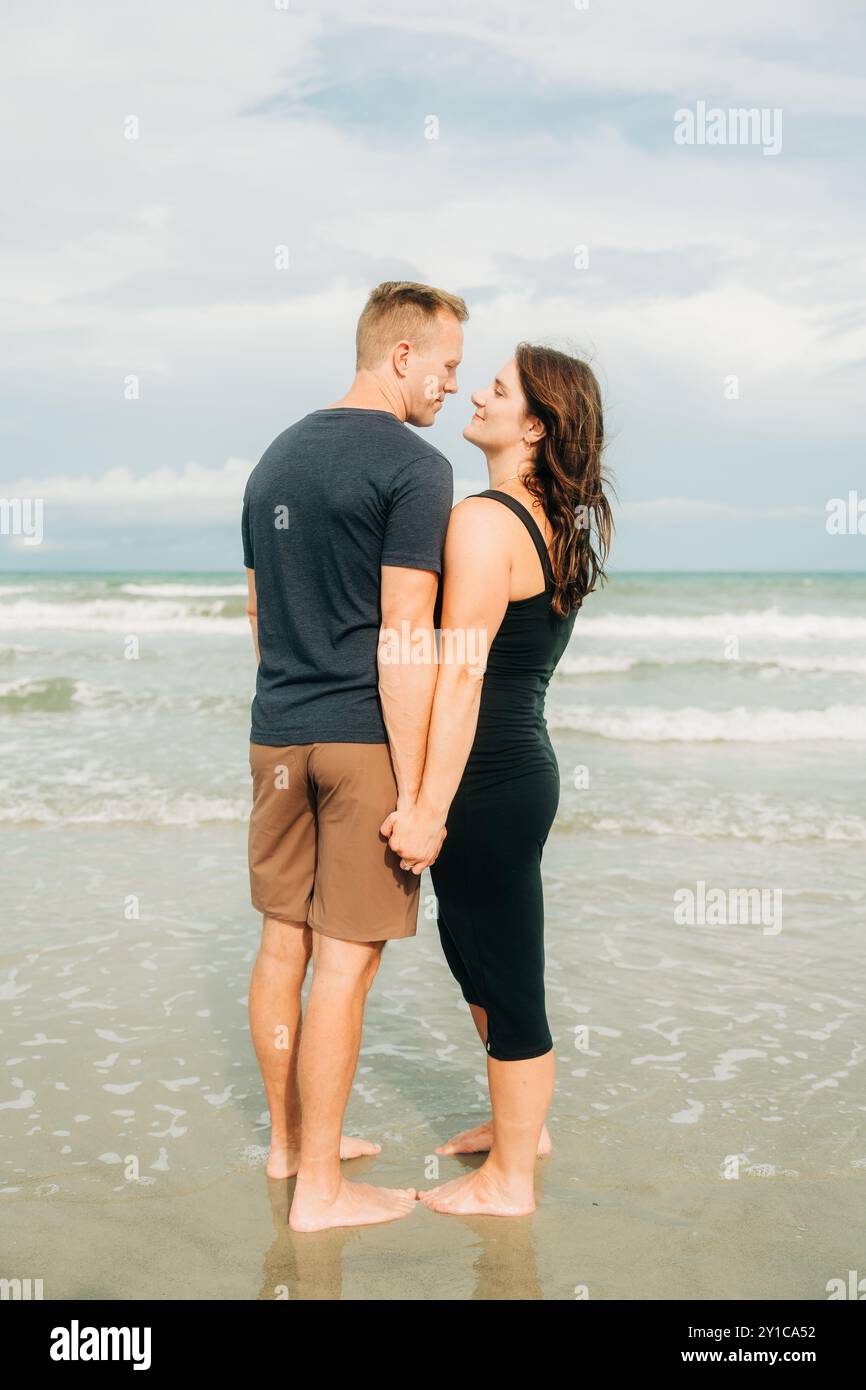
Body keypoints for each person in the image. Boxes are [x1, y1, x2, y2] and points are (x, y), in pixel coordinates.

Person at [242, 281, 466, 1231]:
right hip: (360, 738)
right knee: (346, 963)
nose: (452, 386)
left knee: (280, 943)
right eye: (448, 366)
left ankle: (294, 1148)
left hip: (276, 732)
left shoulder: (274, 458)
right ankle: (323, 1199)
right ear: (402, 356)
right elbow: (404, 637)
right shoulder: (415, 468)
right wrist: (419, 796)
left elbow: (259, 614)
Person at [383, 343, 612, 1216]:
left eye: (499, 388)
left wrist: (427, 808)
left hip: (484, 779)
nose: (475, 392)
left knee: (506, 973)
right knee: (476, 952)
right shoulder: (550, 519)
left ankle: (513, 1180)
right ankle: (521, 1129)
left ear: (536, 425)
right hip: (516, 771)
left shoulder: (484, 520)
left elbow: (464, 672)